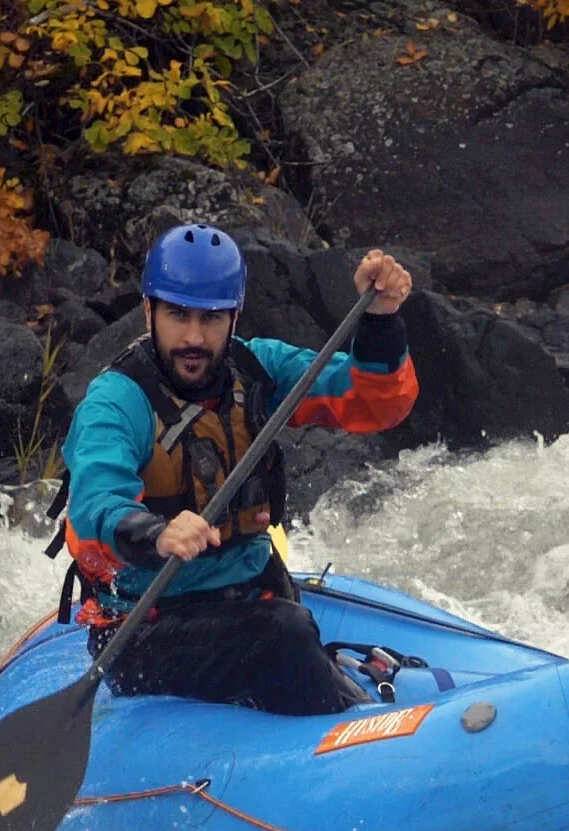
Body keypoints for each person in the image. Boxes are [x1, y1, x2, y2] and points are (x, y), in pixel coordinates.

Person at [54, 223, 419, 714]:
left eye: (210, 319)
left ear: (234, 316)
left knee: (283, 621)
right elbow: (95, 504)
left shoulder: (257, 369)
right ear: (148, 311)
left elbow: (372, 402)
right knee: (284, 632)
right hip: (144, 631)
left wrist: (379, 321)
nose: (193, 337)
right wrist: (155, 532)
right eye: (177, 315)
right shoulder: (116, 402)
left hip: (246, 602)